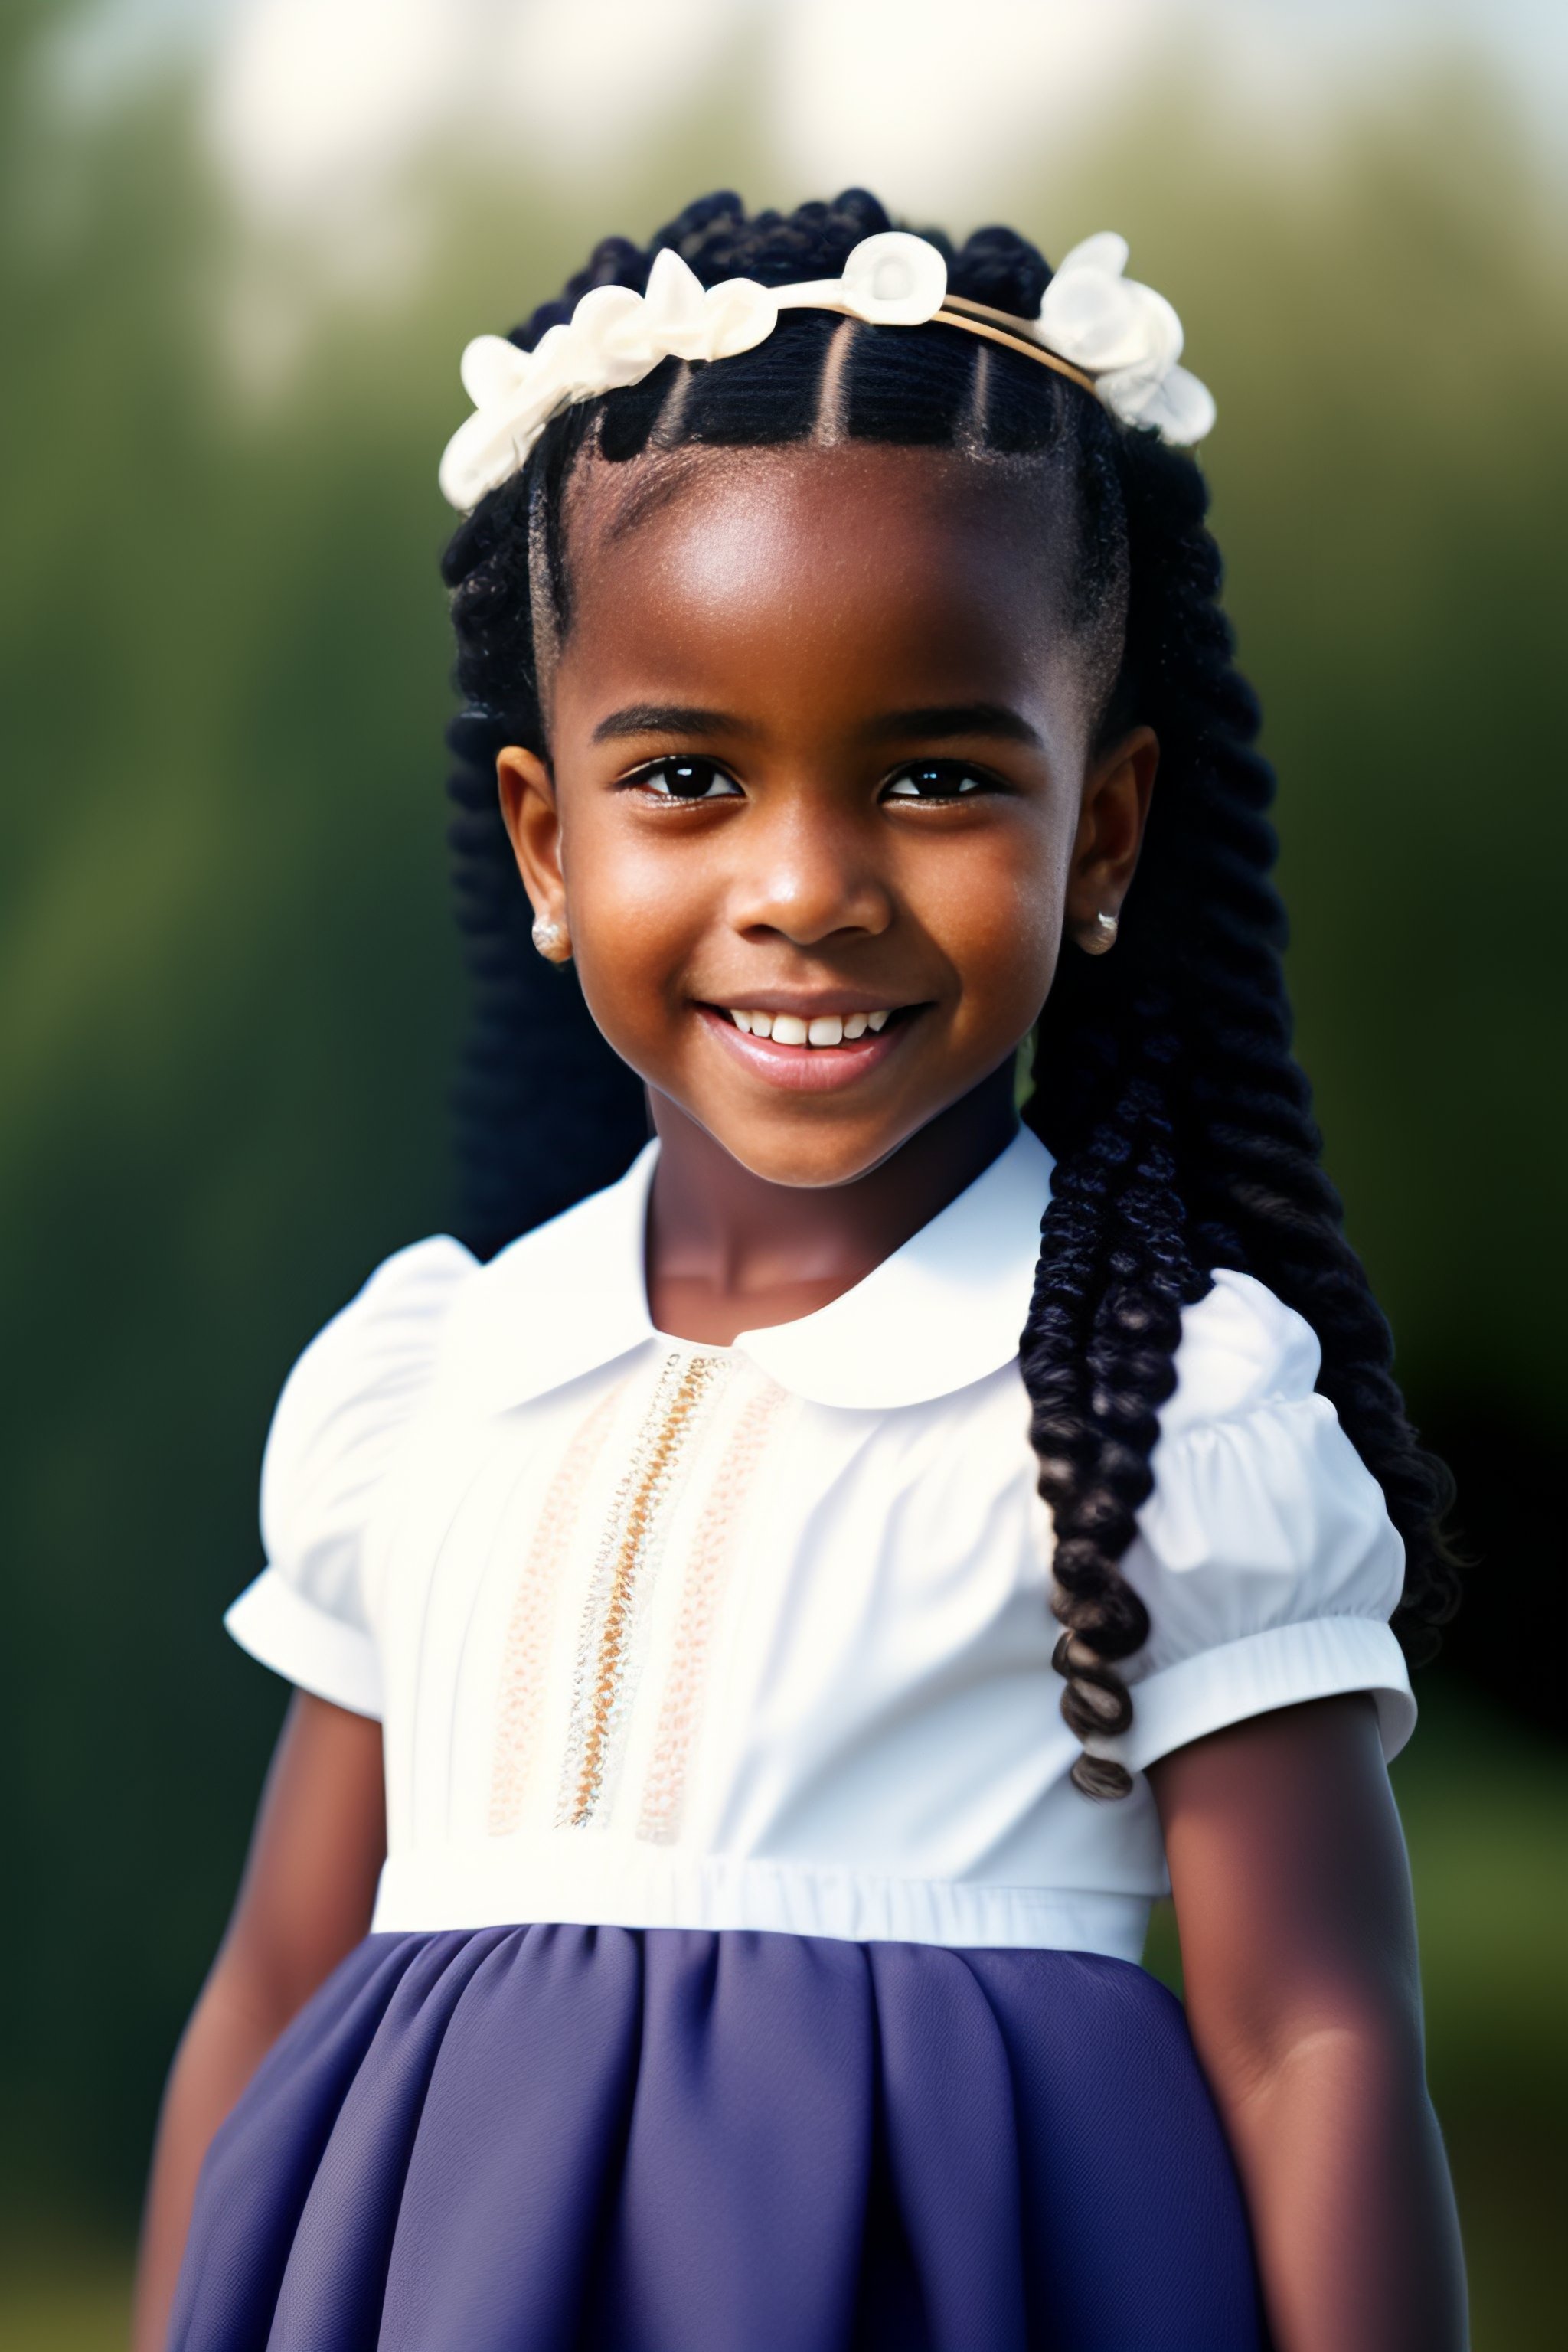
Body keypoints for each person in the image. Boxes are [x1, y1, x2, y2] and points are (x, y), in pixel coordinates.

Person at [136, 189, 1468, 2351]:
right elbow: (277, 1986)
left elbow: (1312, 2039)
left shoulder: (1163, 1419)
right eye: (685, 778)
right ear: (549, 844)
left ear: (1105, 839)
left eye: (937, 775)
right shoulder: (431, 1381)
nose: (808, 889)